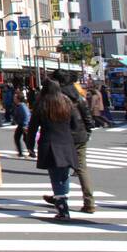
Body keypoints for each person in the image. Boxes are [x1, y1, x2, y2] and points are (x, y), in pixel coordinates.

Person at [26, 80, 83, 221]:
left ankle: (62, 207)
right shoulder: (67, 103)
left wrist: (29, 146)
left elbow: (32, 127)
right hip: (66, 142)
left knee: (55, 175)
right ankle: (61, 199)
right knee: (64, 174)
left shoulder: (42, 104)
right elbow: (76, 124)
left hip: (49, 143)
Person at [54, 71, 97, 213]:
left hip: (65, 136)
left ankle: (60, 196)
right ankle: (89, 201)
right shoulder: (78, 95)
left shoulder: (58, 97)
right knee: (81, 169)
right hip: (81, 135)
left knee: (60, 167)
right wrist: (88, 130)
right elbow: (87, 115)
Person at [12, 92, 33, 158]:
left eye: (15, 97)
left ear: (18, 99)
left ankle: (31, 152)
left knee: (24, 139)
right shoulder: (19, 105)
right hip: (22, 124)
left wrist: (25, 125)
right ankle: (23, 152)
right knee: (21, 138)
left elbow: (27, 116)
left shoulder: (22, 106)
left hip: (24, 125)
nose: (14, 98)